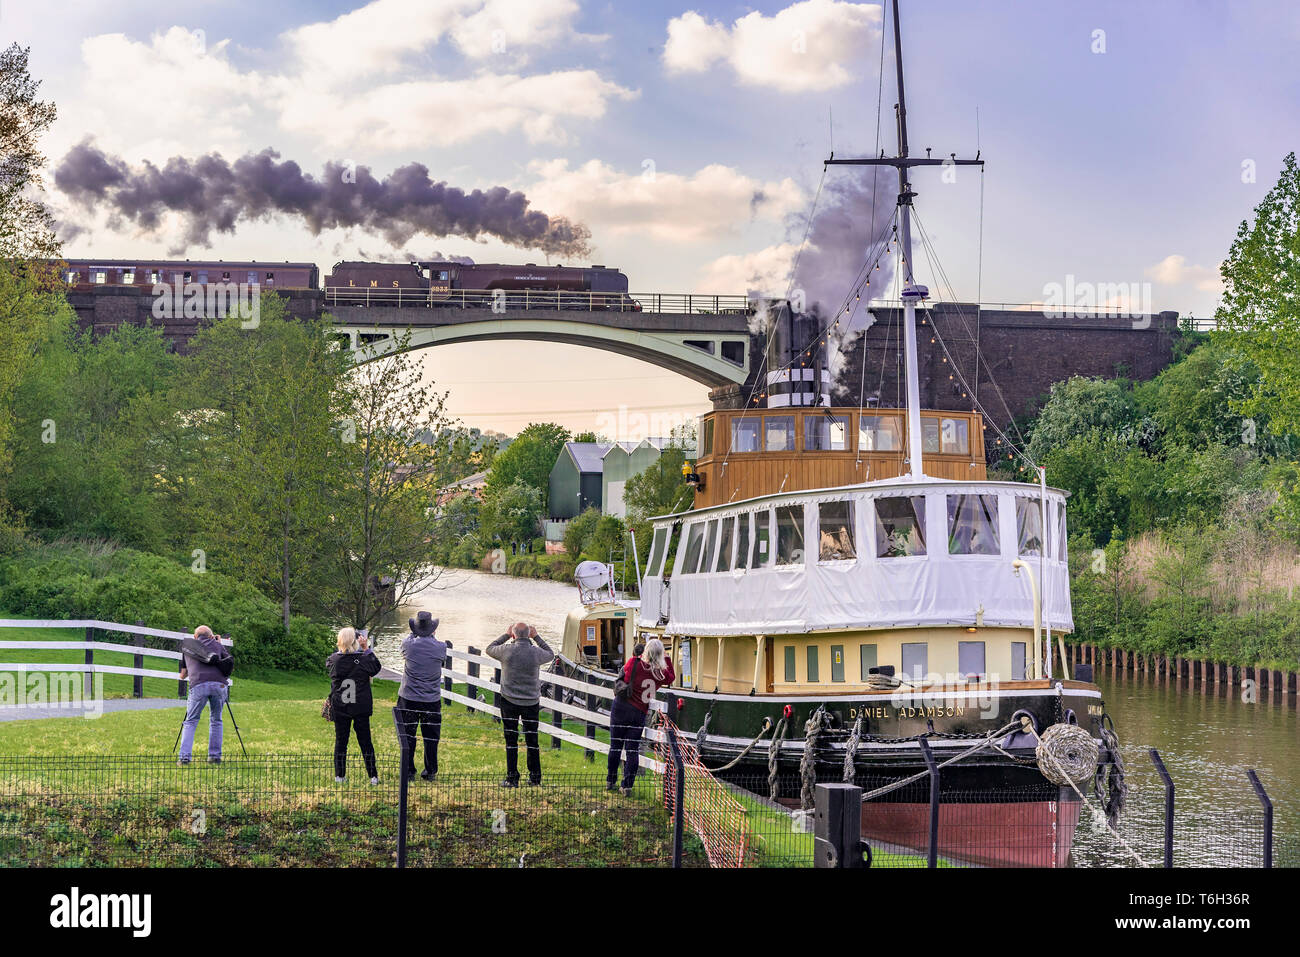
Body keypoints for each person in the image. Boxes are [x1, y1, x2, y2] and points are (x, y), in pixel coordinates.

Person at [486, 622, 554, 787]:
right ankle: (535, 778)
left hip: (509, 700)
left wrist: (506, 635)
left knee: (511, 740)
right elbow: (550, 654)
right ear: (529, 634)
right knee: (532, 740)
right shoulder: (536, 653)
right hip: (531, 702)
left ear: (514, 635)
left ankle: (512, 778)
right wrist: (536, 636)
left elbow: (489, 648)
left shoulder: (507, 651)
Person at [608, 637, 675, 794]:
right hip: (638, 712)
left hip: (621, 708)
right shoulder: (659, 674)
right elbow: (671, 676)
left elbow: (623, 675)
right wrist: (666, 657)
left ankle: (610, 780)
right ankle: (627, 785)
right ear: (660, 655)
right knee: (632, 750)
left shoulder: (634, 662)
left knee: (615, 747)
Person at [327, 626, 382, 784]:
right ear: (355, 641)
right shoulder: (364, 660)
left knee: (341, 742)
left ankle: (340, 776)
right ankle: (373, 776)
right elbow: (376, 668)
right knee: (365, 742)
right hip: (360, 707)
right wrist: (366, 649)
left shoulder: (334, 660)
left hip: (341, 706)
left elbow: (330, 665)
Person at [397, 611, 448, 781]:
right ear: (433, 629)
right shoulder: (441, 647)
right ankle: (430, 770)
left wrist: (416, 632)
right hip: (431, 699)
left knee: (408, 735)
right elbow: (441, 658)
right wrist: (428, 635)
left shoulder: (408, 645)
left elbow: (406, 644)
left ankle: (409, 770)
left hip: (409, 697)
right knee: (431, 737)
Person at [177, 625, 232, 766]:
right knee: (216, 720)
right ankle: (214, 757)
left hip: (199, 685)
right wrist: (219, 644)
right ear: (211, 636)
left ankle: (184, 758)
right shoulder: (218, 646)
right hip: (219, 685)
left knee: (191, 721)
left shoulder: (189, 647)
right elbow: (228, 663)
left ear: (195, 637)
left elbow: (183, 675)